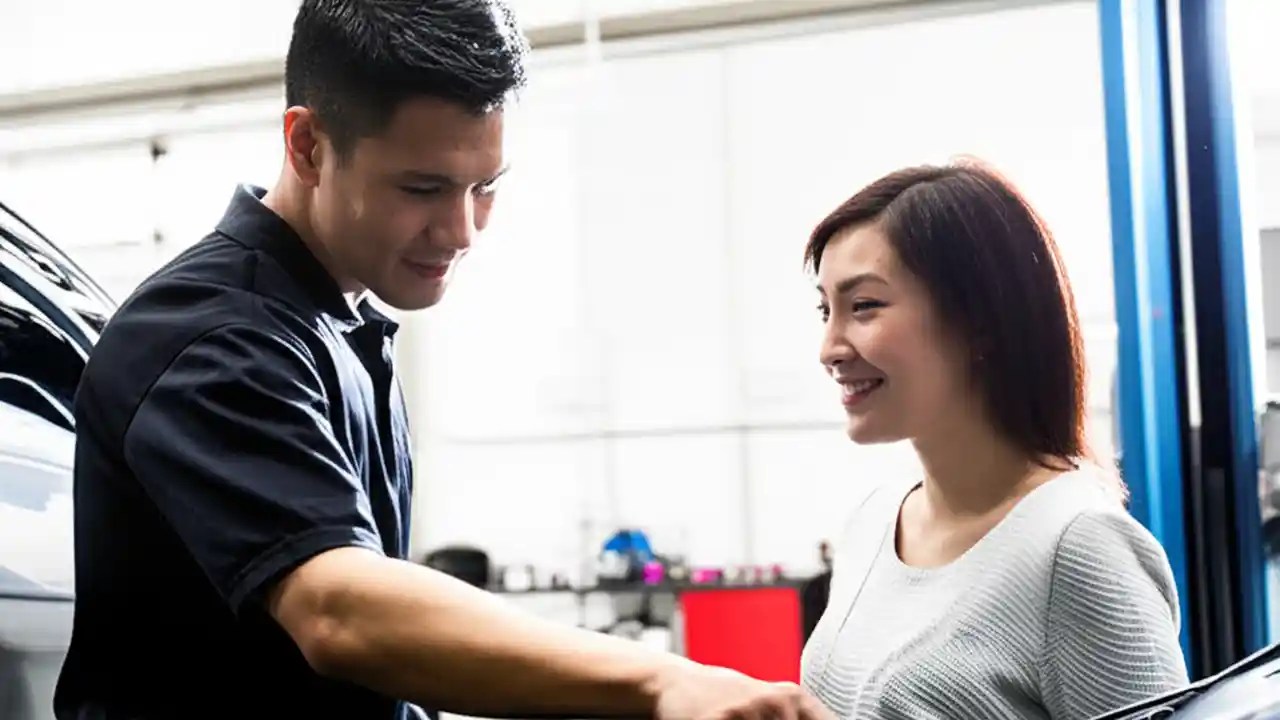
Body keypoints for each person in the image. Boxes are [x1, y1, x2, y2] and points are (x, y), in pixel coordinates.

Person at [52, 2, 835, 719]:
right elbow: (341, 613)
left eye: (484, 187)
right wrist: (663, 678)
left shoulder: (336, 324)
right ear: (307, 145)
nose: (462, 231)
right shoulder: (209, 341)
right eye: (423, 187)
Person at [799, 159, 1189, 719]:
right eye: (825, 310)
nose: (829, 347)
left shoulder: (1078, 546)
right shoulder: (873, 523)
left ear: (979, 320)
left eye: (864, 307)